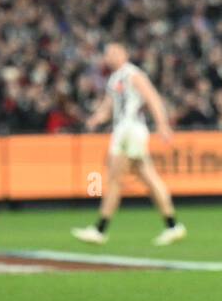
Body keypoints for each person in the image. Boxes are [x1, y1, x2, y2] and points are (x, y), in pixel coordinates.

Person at [72, 43, 185, 246]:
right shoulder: (115, 79)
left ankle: (100, 229)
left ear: (124, 54)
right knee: (148, 178)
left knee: (115, 179)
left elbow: (153, 98)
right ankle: (172, 225)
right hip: (123, 131)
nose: (109, 56)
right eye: (107, 54)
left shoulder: (133, 74)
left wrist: (162, 125)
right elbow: (108, 107)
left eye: (113, 52)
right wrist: (95, 119)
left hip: (130, 131)